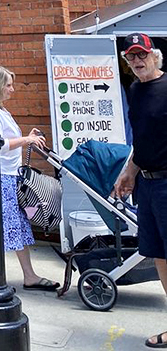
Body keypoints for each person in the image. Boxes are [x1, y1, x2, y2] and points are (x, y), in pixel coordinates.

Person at [112, 33, 167, 349]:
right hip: (146, 184)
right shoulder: (135, 90)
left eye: (141, 54)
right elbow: (142, 140)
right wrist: (129, 172)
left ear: (154, 56)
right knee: (159, 254)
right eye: (131, 56)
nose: (136, 60)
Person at [0, 65, 60, 292]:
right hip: (3, 177)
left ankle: (29, 275)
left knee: (17, 227)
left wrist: (28, 137)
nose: (12, 89)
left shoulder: (2, 111)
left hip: (11, 176)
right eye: (8, 85)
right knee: (6, 229)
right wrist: (27, 140)